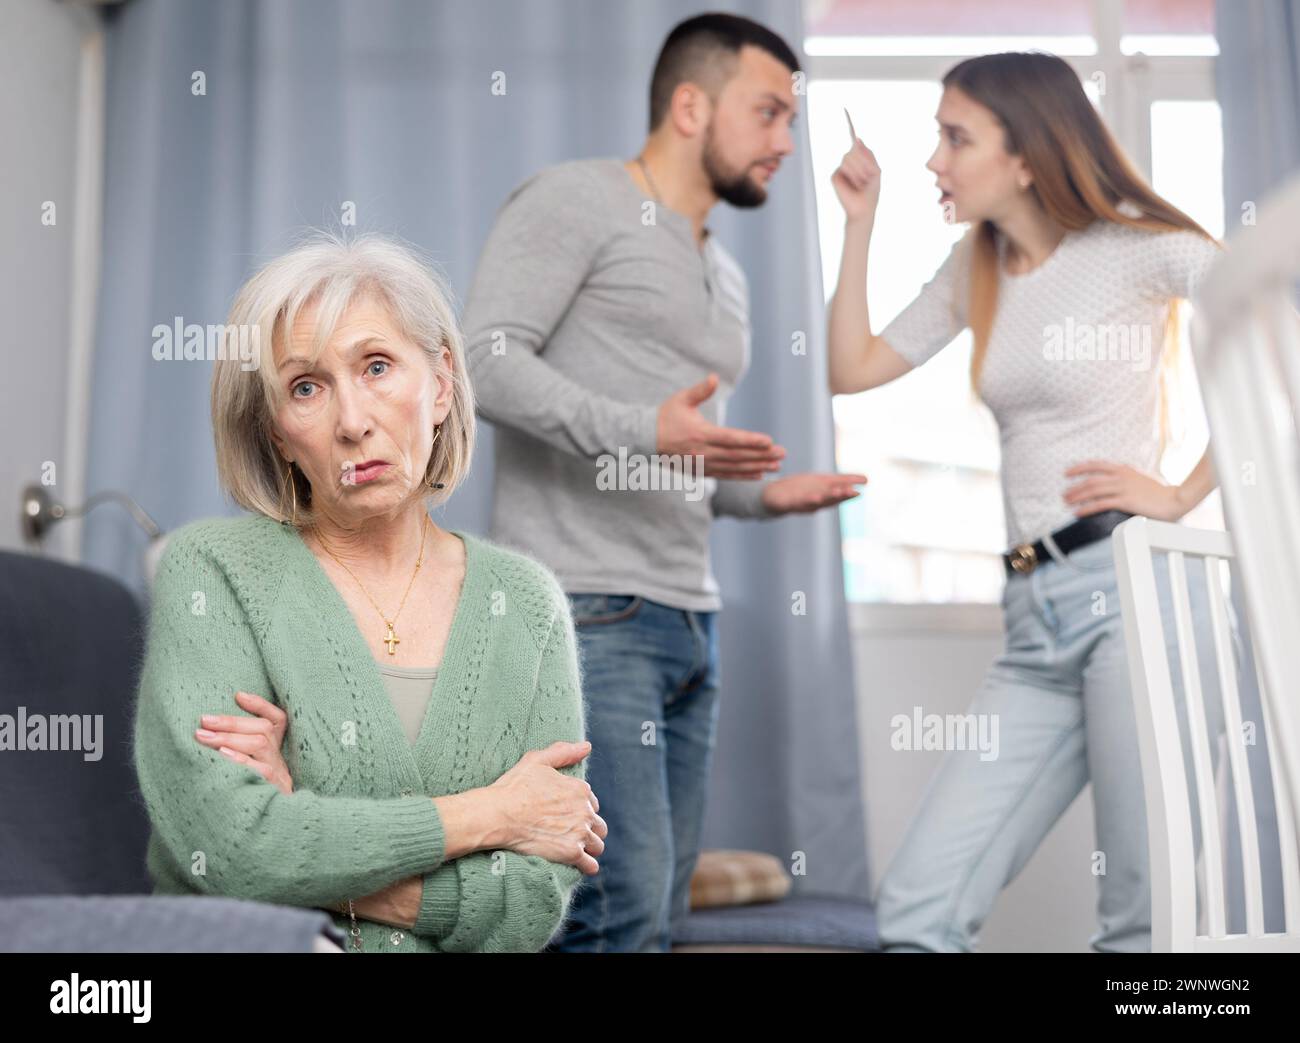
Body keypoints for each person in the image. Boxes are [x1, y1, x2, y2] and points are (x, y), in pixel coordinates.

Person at [463, 13, 865, 952]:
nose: (784, 143)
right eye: (768, 113)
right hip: (585, 611)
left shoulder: (726, 274)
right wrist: (647, 426)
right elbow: (481, 362)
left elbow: (673, 456)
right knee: (616, 916)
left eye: (792, 122)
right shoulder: (575, 200)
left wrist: (761, 493)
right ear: (691, 105)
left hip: (691, 622)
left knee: (658, 919)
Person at [828, 51, 1230, 952]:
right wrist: (860, 224)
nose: (934, 158)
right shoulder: (978, 265)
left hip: (1133, 599)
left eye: (954, 136)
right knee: (918, 912)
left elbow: (1276, 321)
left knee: (1141, 918)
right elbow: (851, 369)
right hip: (1034, 619)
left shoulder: (1134, 247)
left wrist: (1182, 492)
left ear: (1026, 153)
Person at [132, 232, 606, 953]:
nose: (352, 421)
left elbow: (531, 904)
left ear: (441, 383)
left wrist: (305, 831)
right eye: (306, 387)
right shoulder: (211, 573)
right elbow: (229, 851)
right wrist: (493, 814)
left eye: (377, 366)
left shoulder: (527, 602)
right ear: (280, 436)